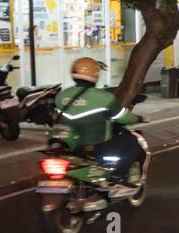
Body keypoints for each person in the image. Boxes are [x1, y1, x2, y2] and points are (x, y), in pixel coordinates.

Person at [50, 57, 143, 197]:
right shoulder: (104, 97)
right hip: (97, 145)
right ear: (95, 75)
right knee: (132, 142)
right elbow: (123, 117)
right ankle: (117, 178)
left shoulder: (61, 95)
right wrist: (137, 118)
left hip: (70, 144)